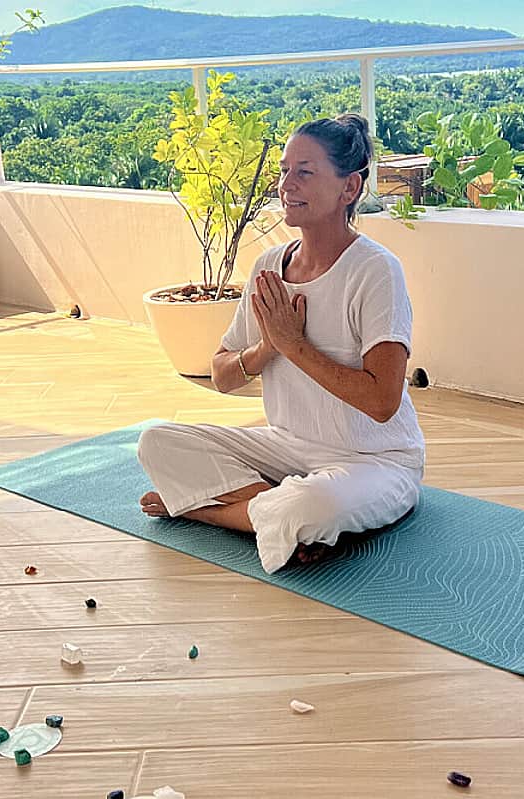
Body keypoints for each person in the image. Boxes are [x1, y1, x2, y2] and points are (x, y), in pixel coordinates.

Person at [137, 113, 425, 573]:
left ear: (349, 189)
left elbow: (383, 401)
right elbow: (222, 374)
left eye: (304, 172)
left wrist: (294, 346)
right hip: (286, 450)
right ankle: (274, 518)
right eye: (285, 169)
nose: (286, 183)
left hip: (375, 462)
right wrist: (265, 350)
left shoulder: (375, 270)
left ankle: (198, 509)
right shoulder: (271, 265)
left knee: (313, 506)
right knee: (157, 441)